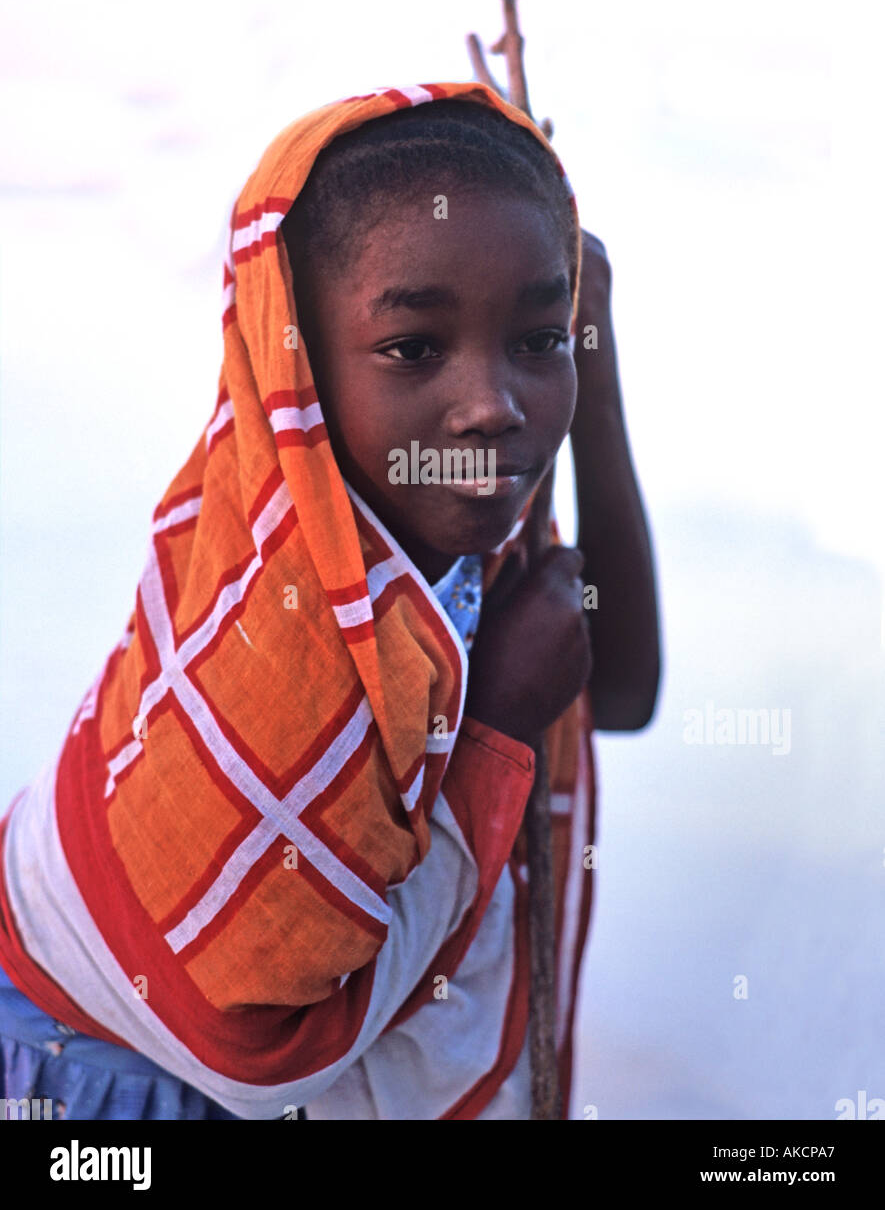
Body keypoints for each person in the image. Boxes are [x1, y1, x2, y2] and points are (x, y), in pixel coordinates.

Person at [0, 81, 659, 1120]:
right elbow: (256, 1058)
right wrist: (487, 728)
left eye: (538, 339)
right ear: (295, 363)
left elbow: (616, 689)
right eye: (413, 348)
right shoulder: (285, 625)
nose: (493, 403)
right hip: (111, 1092)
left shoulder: (455, 529)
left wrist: (596, 369)